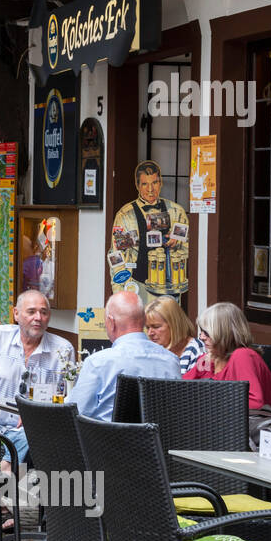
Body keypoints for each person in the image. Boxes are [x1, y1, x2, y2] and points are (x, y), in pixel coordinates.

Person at [0, 289, 74, 531]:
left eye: (43, 312)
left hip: (28, 428)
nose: (37, 317)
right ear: (17, 314)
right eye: (31, 312)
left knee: (30, 435)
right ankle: (3, 503)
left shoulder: (62, 350)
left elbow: (68, 399)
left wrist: (36, 415)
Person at [66, 291, 181, 421]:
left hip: (107, 439)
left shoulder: (98, 362)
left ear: (111, 322)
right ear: (143, 321)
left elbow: (75, 414)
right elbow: (175, 413)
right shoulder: (171, 361)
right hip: (158, 439)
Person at [109, 160, 190, 305]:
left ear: (161, 183)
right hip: (136, 287)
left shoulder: (176, 212)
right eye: (145, 184)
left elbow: (191, 250)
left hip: (168, 289)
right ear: (137, 185)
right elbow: (116, 256)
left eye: (155, 182)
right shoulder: (125, 215)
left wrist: (179, 242)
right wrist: (119, 293)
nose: (150, 189)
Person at [184, 301, 271, 409]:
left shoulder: (243, 356)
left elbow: (255, 403)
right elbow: (180, 387)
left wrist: (205, 400)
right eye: (201, 331)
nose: (202, 337)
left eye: (207, 332)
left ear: (224, 333)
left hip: (240, 424)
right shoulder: (209, 359)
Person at [145, 294, 205, 375]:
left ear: (174, 325)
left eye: (156, 327)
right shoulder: (151, 351)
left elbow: (202, 384)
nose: (150, 333)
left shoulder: (198, 349)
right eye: (147, 327)